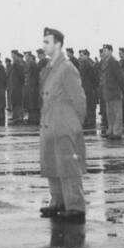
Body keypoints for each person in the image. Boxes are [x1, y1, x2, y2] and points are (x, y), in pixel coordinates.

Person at [38, 27, 88, 222]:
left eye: (47, 42)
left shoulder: (67, 68)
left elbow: (79, 98)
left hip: (64, 120)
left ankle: (75, 204)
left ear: (58, 44)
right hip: (50, 120)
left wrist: (75, 122)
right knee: (52, 162)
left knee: (68, 165)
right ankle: (58, 201)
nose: (44, 46)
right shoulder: (51, 67)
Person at [100, 44, 124, 140]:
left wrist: (122, 89)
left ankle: (117, 132)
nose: (104, 52)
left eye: (106, 50)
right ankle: (111, 130)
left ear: (110, 51)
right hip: (107, 92)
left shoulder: (114, 62)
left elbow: (119, 77)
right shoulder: (105, 62)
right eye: (103, 50)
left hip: (114, 91)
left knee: (117, 113)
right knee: (110, 113)